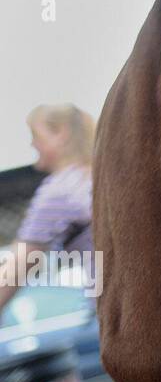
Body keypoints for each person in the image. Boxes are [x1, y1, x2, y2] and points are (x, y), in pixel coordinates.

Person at [0, 104, 96, 320]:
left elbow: (14, 271)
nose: (32, 143)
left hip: (123, 318)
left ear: (60, 133)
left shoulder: (61, 190)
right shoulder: (101, 175)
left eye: (35, 135)